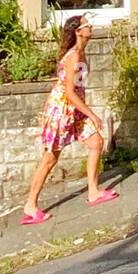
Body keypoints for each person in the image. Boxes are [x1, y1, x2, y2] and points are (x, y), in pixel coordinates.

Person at [22, 14, 117, 224]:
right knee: (50, 158)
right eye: (87, 25)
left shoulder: (81, 52)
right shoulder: (73, 56)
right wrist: (91, 114)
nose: (91, 27)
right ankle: (30, 205)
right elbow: (69, 92)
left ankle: (93, 192)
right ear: (78, 31)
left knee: (96, 142)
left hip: (75, 109)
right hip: (62, 110)